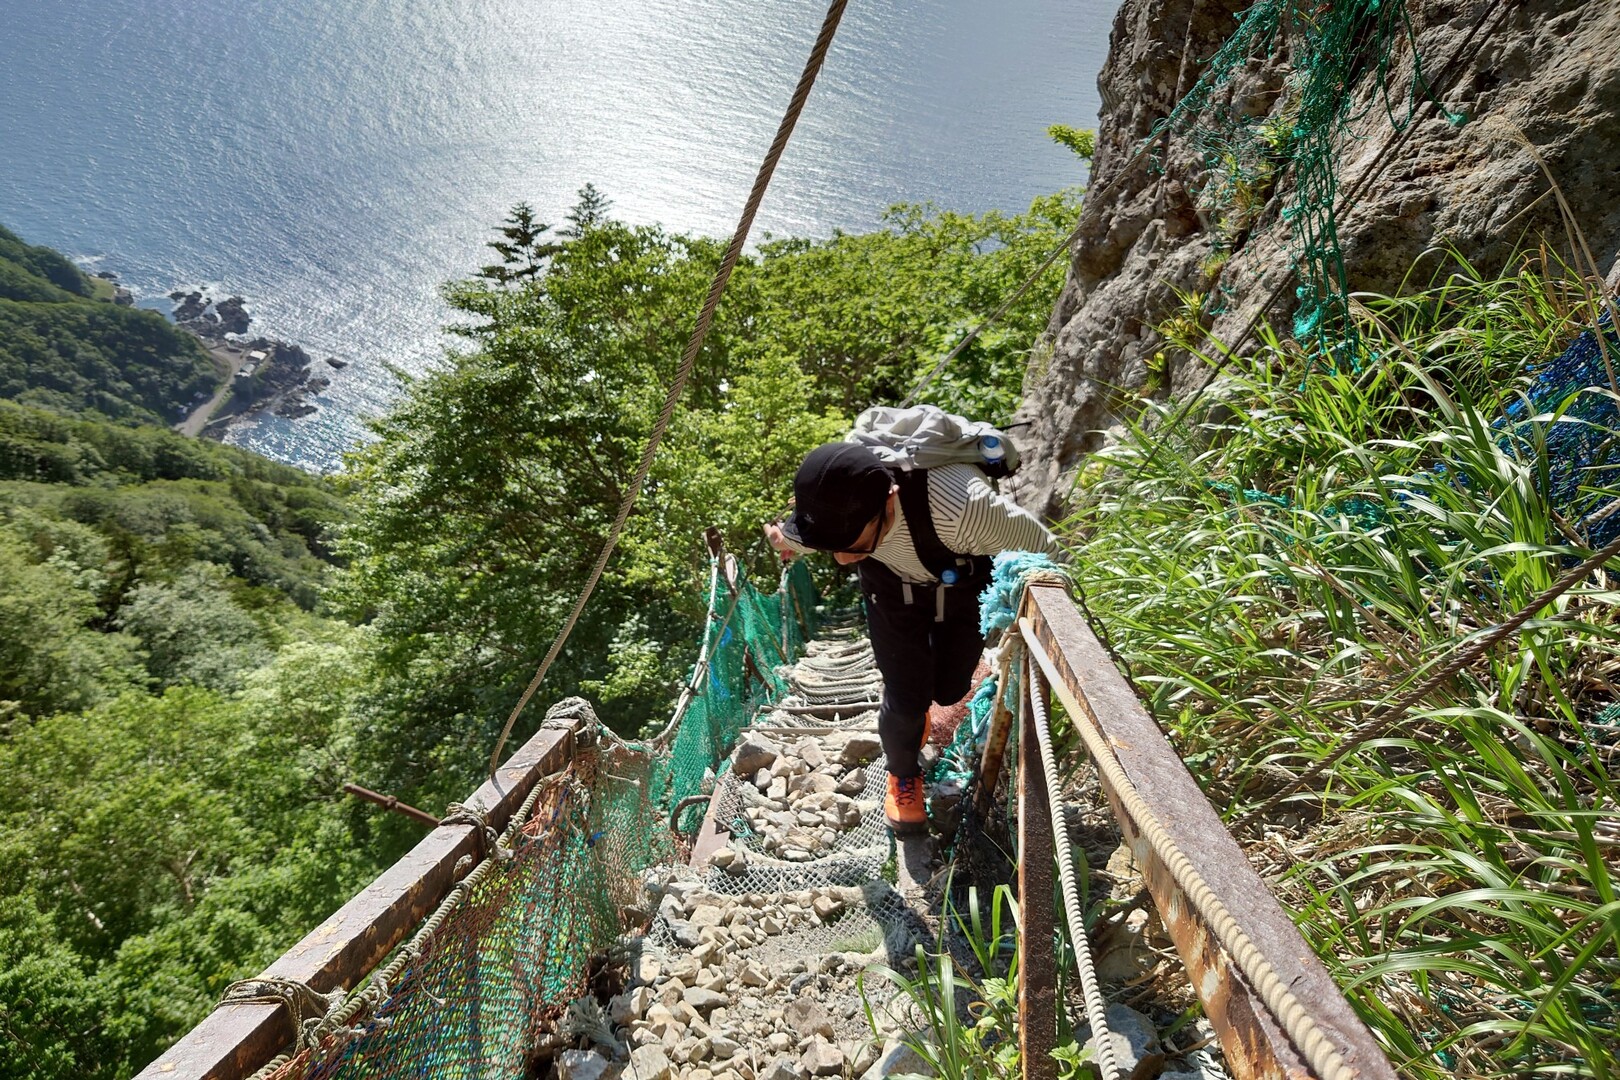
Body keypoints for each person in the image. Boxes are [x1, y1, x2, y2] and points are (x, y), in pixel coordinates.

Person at [765, 441, 1058, 834]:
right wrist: (783, 542)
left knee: (951, 690)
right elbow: (802, 538)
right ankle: (903, 774)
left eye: (854, 545)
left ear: (889, 501)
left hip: (963, 587)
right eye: (832, 549)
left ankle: (917, 717)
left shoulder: (966, 510)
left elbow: (1045, 552)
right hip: (890, 591)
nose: (843, 560)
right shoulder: (834, 517)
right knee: (907, 695)